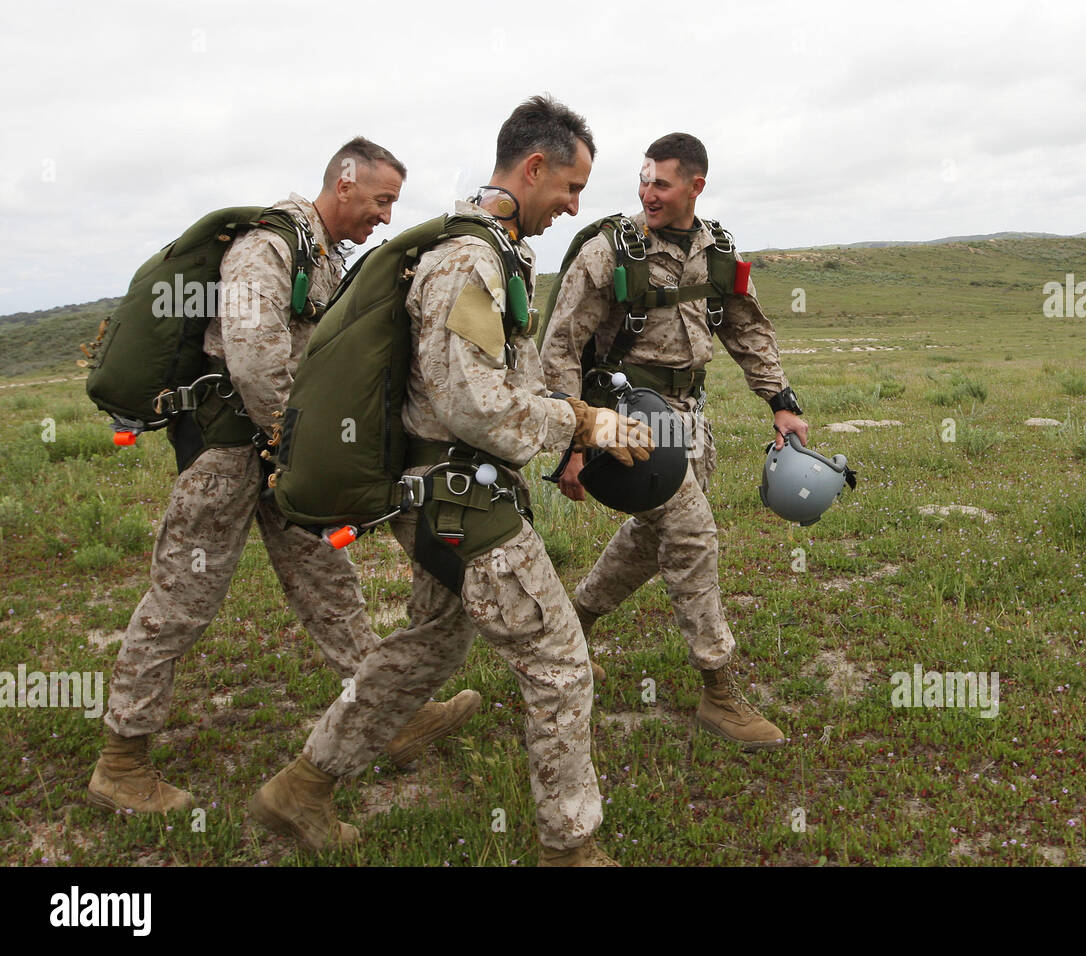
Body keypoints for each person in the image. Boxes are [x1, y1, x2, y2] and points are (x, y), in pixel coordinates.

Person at [248, 96, 652, 866]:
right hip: (456, 499)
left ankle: (300, 788)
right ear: (533, 167)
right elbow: (473, 404)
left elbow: (493, 384)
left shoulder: (491, 251)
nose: (574, 208)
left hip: (450, 496)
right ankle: (571, 849)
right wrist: (583, 423)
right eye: (571, 188)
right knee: (561, 661)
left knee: (430, 642)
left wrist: (572, 415)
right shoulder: (469, 261)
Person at [89, 138, 480, 815]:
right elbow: (251, 353)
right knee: (182, 599)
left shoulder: (320, 255)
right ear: (346, 182)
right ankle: (120, 760)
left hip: (277, 455)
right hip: (229, 453)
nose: (385, 217)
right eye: (382, 200)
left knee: (329, 585)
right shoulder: (268, 244)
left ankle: (388, 715)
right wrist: (301, 441)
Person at [540, 132, 810, 751]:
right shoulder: (611, 249)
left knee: (649, 535)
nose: (647, 193)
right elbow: (560, 343)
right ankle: (718, 689)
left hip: (688, 418)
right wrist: (572, 439)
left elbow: (746, 328)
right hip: (626, 420)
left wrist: (782, 402)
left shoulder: (717, 252)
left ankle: (572, 627)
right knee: (692, 534)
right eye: (643, 181)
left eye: (661, 183)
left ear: (695, 186)